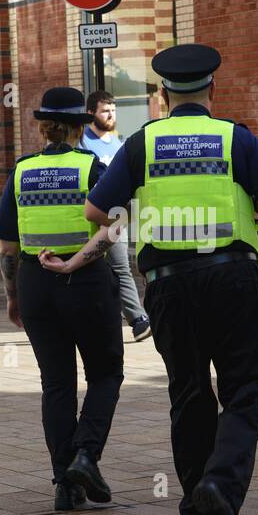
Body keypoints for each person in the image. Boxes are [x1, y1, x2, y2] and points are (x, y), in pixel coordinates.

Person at [40, 45, 258, 515]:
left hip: (168, 284)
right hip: (232, 280)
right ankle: (219, 485)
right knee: (244, 389)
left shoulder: (142, 144)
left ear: (162, 95)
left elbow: (96, 211)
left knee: (188, 392)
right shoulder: (235, 138)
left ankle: (196, 509)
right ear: (211, 91)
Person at [0, 87, 124, 513]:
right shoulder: (93, 168)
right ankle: (86, 456)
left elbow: (7, 248)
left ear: (43, 127)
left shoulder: (21, 171)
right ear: (79, 126)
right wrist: (77, 263)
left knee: (56, 383)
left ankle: (64, 485)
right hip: (84, 282)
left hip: (34, 283)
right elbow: (115, 227)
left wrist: (13, 295)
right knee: (105, 374)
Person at [80, 90, 151, 342]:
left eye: (113, 110)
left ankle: (137, 320)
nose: (110, 115)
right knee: (103, 268)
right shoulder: (82, 143)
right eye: (104, 110)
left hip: (114, 216)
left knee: (119, 266)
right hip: (89, 216)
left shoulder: (119, 142)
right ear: (91, 114)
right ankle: (131, 318)